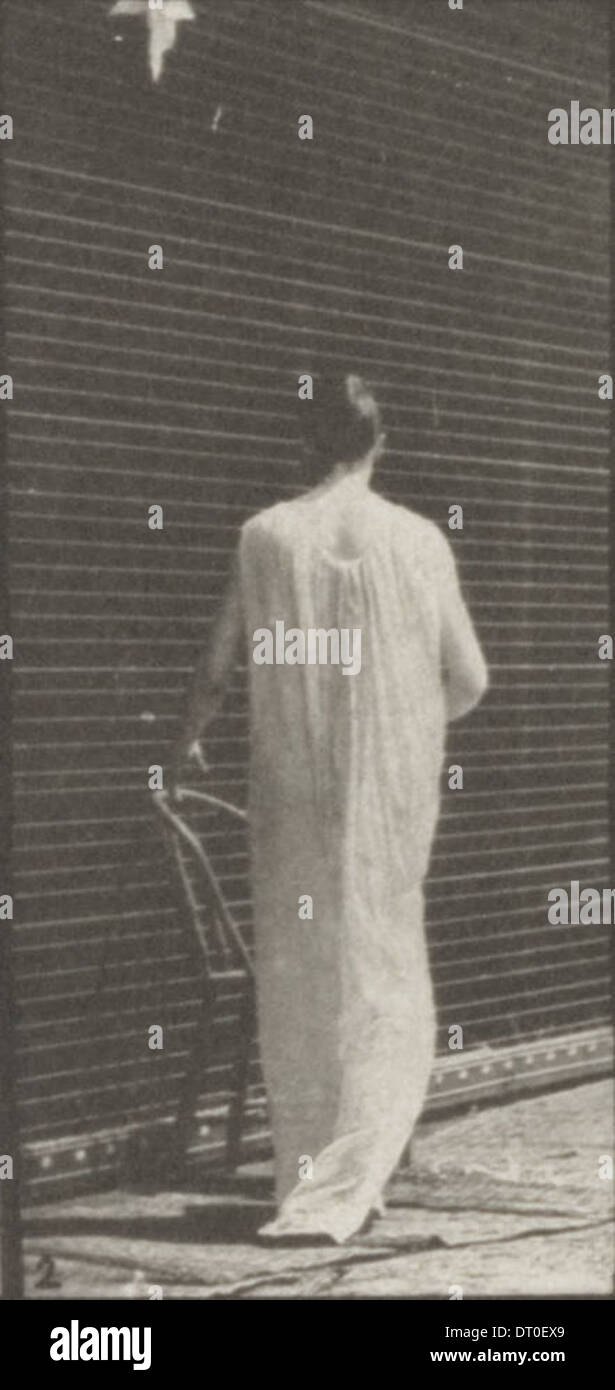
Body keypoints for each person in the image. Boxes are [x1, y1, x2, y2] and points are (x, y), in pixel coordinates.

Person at [171, 370, 488, 1244]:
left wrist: (180, 747)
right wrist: (399, 717)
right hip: (389, 800)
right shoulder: (419, 541)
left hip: (290, 794)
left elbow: (213, 670)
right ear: (381, 443)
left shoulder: (264, 536)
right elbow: (468, 681)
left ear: (302, 446)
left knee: (301, 973)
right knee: (381, 970)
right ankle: (357, 1174)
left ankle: (310, 1178)